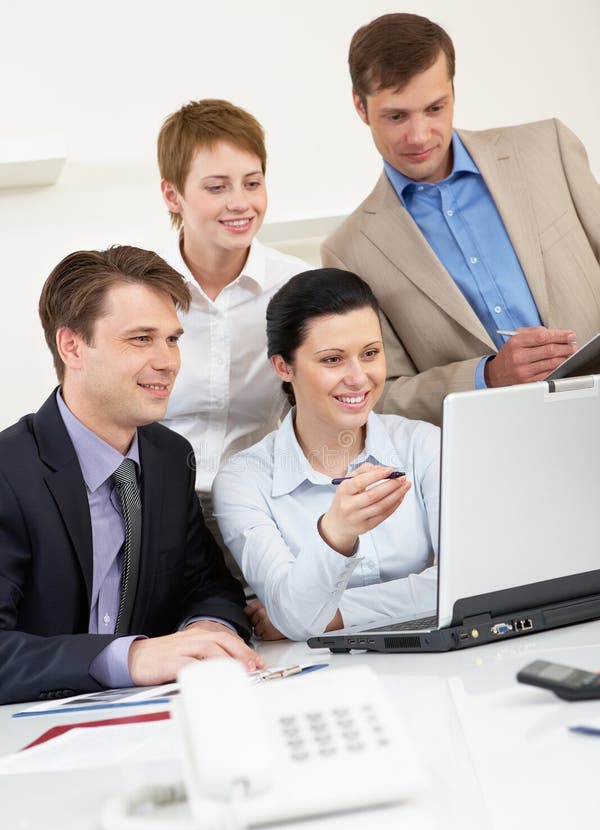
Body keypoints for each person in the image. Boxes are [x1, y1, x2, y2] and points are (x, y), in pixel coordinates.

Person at [0, 246, 264, 705]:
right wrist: (130, 658)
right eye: (141, 339)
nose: (168, 362)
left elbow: (209, 586)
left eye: (173, 339)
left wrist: (205, 630)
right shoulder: (9, 472)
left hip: (150, 722)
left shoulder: (168, 457)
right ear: (72, 346)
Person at [322, 13, 600, 425]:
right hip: (495, 444)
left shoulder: (549, 147)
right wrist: (486, 376)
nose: (419, 136)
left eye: (435, 108)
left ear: (453, 89)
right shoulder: (350, 251)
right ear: (360, 107)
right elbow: (379, 397)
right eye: (396, 116)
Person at [213, 268, 439, 642]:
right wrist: (336, 532)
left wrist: (336, 615)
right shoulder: (243, 481)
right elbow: (297, 619)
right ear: (284, 367)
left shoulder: (424, 446)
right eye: (333, 360)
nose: (358, 377)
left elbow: (470, 580)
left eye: (370, 353)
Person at [157, 98, 310, 545]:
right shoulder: (137, 290)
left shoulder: (296, 288)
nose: (240, 203)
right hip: (152, 505)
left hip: (259, 505)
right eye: (217, 187)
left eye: (252, 182)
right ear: (173, 194)